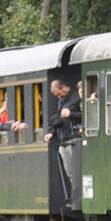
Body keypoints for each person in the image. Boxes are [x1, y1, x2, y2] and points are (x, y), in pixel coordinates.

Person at [45, 79, 83, 208]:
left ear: (63, 87)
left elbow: (85, 115)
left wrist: (70, 114)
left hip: (74, 139)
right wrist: (52, 132)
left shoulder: (76, 97)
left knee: (77, 170)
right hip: (63, 140)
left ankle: (80, 198)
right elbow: (60, 119)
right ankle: (76, 197)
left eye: (58, 93)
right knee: (70, 172)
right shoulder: (61, 101)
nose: (58, 97)